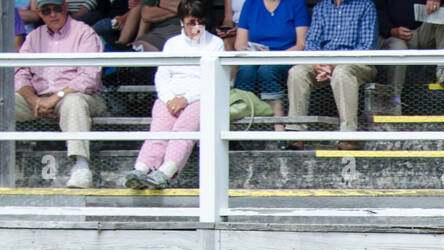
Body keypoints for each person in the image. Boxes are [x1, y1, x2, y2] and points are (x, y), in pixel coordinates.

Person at [124, 0, 224, 188]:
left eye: (200, 22)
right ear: (181, 22)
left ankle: (166, 172)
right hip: (169, 97)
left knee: (184, 130)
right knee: (159, 129)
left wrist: (186, 99)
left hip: (199, 98)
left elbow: (211, 78)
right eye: (191, 22)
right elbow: (162, 74)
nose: (196, 27)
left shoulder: (216, 43)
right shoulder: (171, 44)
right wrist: (169, 99)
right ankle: (142, 168)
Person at [13, 0, 106, 188]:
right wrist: (34, 100)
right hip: (39, 99)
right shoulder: (33, 37)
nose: (53, 14)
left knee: (74, 102)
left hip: (80, 96)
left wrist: (56, 98)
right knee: (4, 103)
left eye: (57, 9)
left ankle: (80, 165)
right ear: (40, 13)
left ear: (65, 8)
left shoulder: (84, 32)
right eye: (46, 11)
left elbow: (89, 77)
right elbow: (20, 72)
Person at [286, 0, 378, 151]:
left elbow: (366, 46)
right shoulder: (321, 7)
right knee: (297, 72)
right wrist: (319, 65)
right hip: (324, 63)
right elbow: (312, 43)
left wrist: (333, 66)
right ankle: (296, 132)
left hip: (358, 63)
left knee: (342, 72)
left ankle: (348, 136)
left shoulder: (366, 5)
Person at [233, 0, 309, 129]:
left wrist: (274, 56)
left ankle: (277, 126)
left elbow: (301, 44)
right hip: (256, 57)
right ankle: (241, 126)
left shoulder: (296, 3)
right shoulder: (250, 4)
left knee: (267, 70)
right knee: (245, 71)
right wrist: (254, 51)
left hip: (286, 57)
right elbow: (240, 44)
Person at [377, 0, 444, 110]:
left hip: (425, 29)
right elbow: (376, 10)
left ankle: (443, 70)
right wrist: (391, 30)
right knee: (397, 47)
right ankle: (394, 100)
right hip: (398, 36)